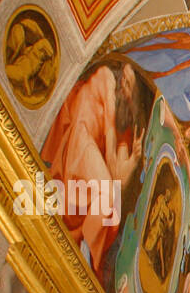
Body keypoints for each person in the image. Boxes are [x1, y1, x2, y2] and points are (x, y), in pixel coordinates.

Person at [41, 61, 146, 274]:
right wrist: (111, 171)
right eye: (125, 78)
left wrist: (134, 159)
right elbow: (109, 145)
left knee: (112, 207)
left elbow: (119, 179)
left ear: (134, 96)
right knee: (107, 194)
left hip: (89, 150)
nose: (124, 83)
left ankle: (86, 249)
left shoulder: (125, 125)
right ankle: (86, 252)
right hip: (80, 136)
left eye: (129, 84)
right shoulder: (107, 75)